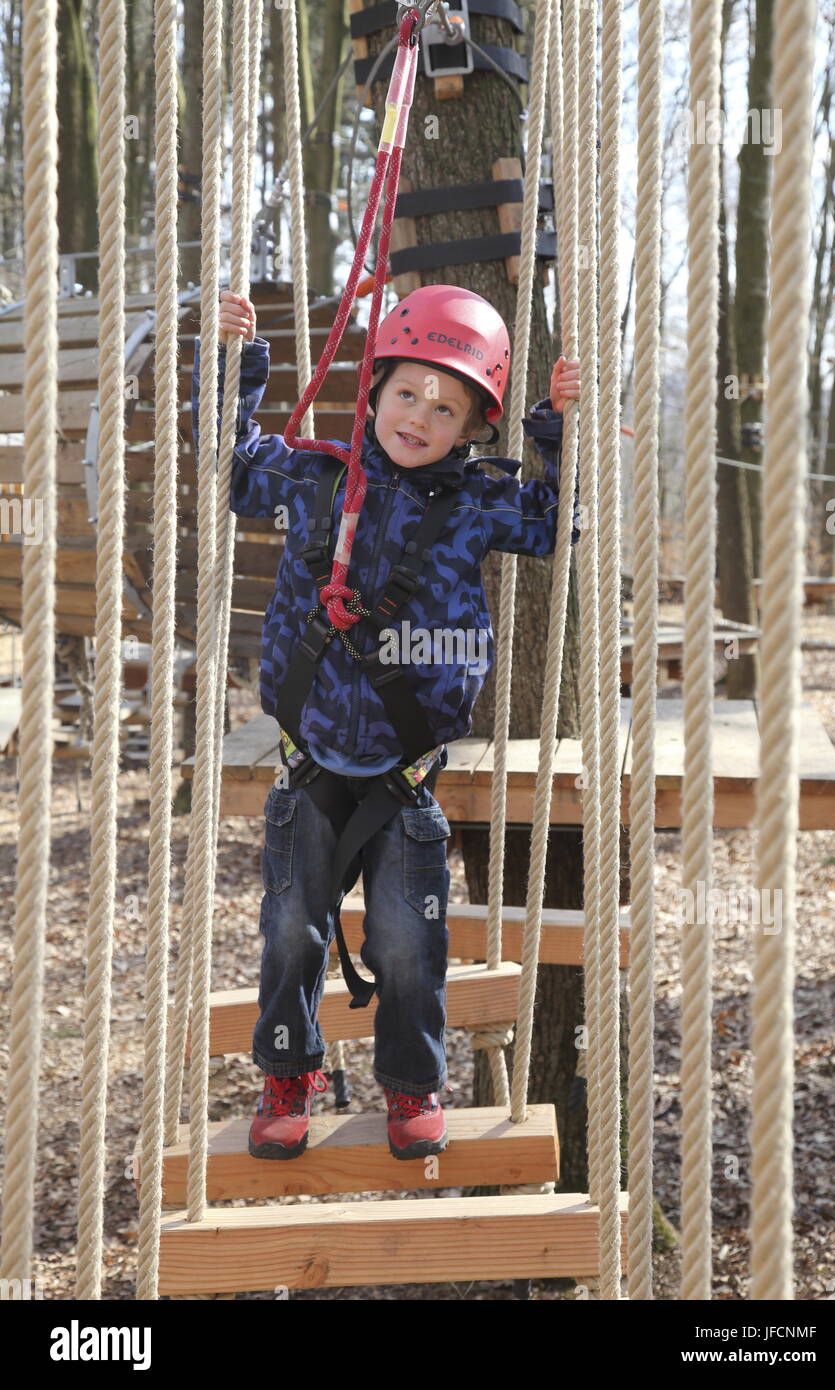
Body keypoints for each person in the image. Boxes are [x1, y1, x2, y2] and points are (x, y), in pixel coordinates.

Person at [191, 284, 582, 1162]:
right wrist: (229, 366)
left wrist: (559, 432)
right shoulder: (312, 477)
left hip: (405, 769)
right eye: (407, 393)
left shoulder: (477, 502)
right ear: (372, 392)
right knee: (292, 926)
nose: (420, 417)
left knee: (409, 936)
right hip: (310, 757)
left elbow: (563, 524)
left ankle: (412, 1084)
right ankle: (287, 1074)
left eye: (446, 408)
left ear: (472, 428)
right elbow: (232, 468)